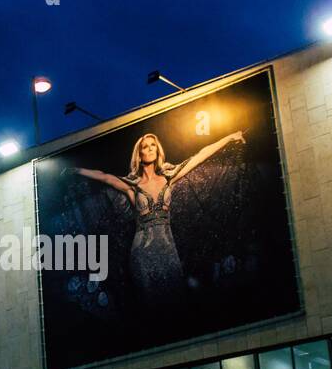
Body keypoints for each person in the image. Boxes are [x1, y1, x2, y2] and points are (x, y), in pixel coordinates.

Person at [69, 130, 246, 304]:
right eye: (145, 147)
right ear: (139, 154)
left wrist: (229, 137)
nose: (150, 149)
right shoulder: (132, 184)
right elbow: (105, 177)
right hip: (142, 251)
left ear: (158, 149)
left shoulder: (170, 176)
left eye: (153, 145)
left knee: (176, 298)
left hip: (167, 248)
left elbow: (201, 155)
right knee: (150, 303)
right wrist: (76, 170)